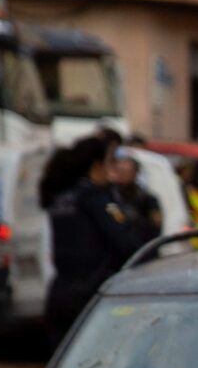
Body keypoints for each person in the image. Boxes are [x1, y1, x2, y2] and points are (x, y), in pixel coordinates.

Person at [40, 135, 140, 344]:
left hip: (61, 292)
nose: (112, 170)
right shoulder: (94, 197)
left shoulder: (62, 196)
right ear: (97, 166)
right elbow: (125, 243)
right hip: (90, 294)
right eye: (109, 163)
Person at [107, 149, 164, 251]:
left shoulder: (147, 199)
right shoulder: (109, 196)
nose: (121, 175)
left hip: (140, 250)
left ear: (135, 173)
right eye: (119, 171)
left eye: (126, 171)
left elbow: (155, 228)